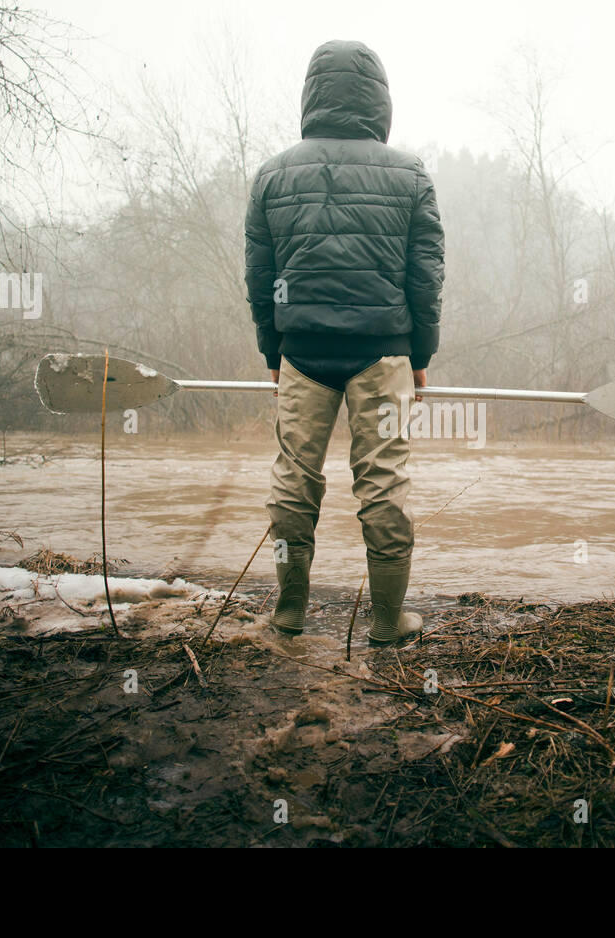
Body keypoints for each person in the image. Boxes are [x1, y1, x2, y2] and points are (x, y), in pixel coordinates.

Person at [244, 39, 445, 644]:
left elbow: (260, 278)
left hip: (301, 354)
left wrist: (271, 352)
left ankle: (288, 610)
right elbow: (425, 276)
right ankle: (388, 621)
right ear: (380, 100)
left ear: (310, 96)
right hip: (383, 352)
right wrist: (421, 355)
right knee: (383, 482)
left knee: (293, 480)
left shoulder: (273, 174)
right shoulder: (410, 174)